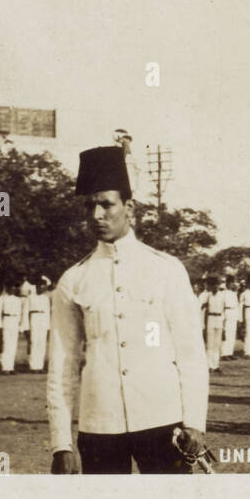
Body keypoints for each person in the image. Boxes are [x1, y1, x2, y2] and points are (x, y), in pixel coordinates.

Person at [46, 145, 208, 474]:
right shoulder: (74, 279)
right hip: (100, 424)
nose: (97, 215)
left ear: (129, 207)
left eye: (107, 204)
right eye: (89, 206)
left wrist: (194, 422)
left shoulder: (165, 268)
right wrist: (61, 443)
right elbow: (62, 367)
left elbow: (191, 353)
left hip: (161, 419)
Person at [0, 281, 24, 374]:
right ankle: (4, 367)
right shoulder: (2, 298)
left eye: (15, 287)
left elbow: (21, 313)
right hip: (6, 320)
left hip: (15, 321)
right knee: (6, 344)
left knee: (13, 345)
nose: (13, 289)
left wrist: (20, 326)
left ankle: (10, 367)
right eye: (11, 287)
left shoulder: (18, 300)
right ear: (7, 288)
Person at [23, 277, 52, 372]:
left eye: (43, 287)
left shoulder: (45, 298)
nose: (42, 288)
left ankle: (40, 366)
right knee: (34, 342)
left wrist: (48, 327)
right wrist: (26, 326)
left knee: (42, 343)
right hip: (34, 318)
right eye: (40, 286)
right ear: (36, 287)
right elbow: (25, 312)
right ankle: (33, 366)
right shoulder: (30, 297)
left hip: (43, 319)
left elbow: (47, 312)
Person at [202, 276, 225, 371]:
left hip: (219, 319)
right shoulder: (208, 296)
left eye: (217, 285)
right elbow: (204, 311)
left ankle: (216, 365)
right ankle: (209, 365)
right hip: (210, 318)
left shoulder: (222, 296)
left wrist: (224, 325)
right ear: (211, 287)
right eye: (213, 286)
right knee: (210, 343)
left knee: (217, 344)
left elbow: (223, 310)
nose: (215, 287)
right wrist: (203, 325)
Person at [219, 276, 240, 360]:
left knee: (232, 334)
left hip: (233, 313)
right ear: (226, 284)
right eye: (230, 283)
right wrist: (222, 318)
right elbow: (222, 306)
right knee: (226, 333)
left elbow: (236, 306)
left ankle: (230, 352)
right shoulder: (222, 293)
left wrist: (238, 318)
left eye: (232, 283)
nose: (231, 285)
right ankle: (223, 353)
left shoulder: (233, 294)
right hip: (227, 313)